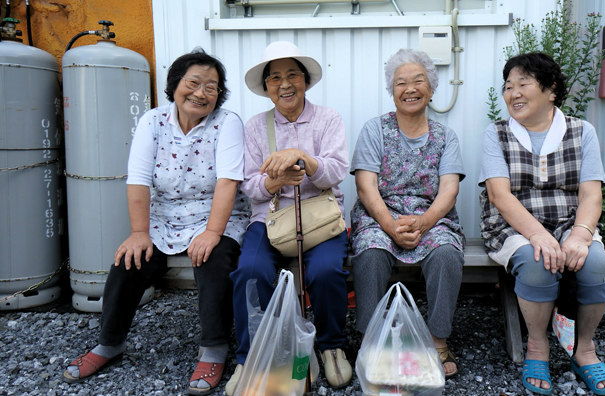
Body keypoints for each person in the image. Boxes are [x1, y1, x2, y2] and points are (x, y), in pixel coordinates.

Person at [62, 49, 251, 396]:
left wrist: (211, 232)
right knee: (128, 260)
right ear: (175, 84)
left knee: (214, 257)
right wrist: (138, 232)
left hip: (215, 216)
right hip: (163, 217)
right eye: (193, 83)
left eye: (212, 87)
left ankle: (213, 348)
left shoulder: (228, 123)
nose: (201, 93)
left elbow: (228, 181)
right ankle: (110, 342)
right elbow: (138, 178)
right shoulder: (152, 121)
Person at [479, 52, 605, 395]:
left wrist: (581, 235)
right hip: (511, 226)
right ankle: (537, 346)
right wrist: (538, 235)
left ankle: (584, 349)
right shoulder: (496, 134)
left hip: (569, 224)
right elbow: (500, 195)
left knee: (596, 262)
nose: (513, 93)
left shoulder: (582, 131)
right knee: (536, 259)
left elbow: (591, 195)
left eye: (523, 84)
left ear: (551, 90)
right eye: (508, 86)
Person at [226, 41, 351, 395]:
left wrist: (303, 159)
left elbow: (337, 170)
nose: (285, 84)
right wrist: (275, 181)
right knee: (250, 271)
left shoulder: (328, 118)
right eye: (275, 77)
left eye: (293, 74)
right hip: (271, 217)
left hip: (321, 216)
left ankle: (331, 345)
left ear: (306, 81)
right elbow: (251, 187)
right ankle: (253, 355)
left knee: (327, 271)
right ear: (266, 87)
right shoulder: (255, 127)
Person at [349, 48, 465, 378]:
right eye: (401, 83)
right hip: (380, 215)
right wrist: (389, 224)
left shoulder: (446, 136)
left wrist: (425, 222)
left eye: (418, 81)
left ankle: (437, 339)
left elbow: (449, 190)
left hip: (431, 217)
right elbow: (365, 187)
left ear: (431, 88)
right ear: (392, 90)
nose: (410, 89)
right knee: (370, 252)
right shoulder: (375, 129)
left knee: (446, 253)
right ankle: (372, 342)